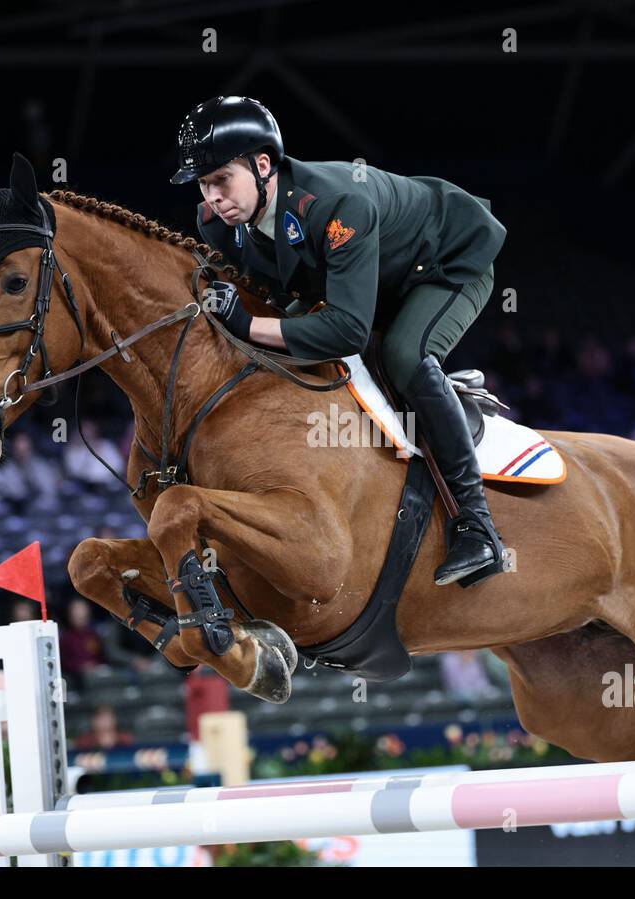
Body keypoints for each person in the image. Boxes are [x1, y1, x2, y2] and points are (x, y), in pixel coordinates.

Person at [171, 95, 508, 586]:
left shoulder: (335, 205)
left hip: (443, 262)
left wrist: (247, 326)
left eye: (221, 179)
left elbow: (347, 330)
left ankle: (477, 526)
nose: (213, 196)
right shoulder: (216, 224)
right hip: (358, 281)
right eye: (203, 184)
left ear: (263, 165)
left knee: (402, 356)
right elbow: (281, 301)